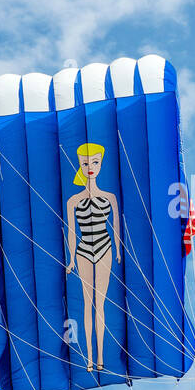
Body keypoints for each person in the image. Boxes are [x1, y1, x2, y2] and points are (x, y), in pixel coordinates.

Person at [65, 143, 121, 372]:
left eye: (95, 162)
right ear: (80, 165)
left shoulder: (109, 198)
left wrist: (118, 250)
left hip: (105, 247)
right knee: (88, 304)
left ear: (101, 164)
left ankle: (100, 358)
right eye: (85, 163)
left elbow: (115, 227)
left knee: (101, 303)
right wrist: (70, 259)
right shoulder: (73, 201)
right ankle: (89, 357)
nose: (90, 167)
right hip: (84, 249)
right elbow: (71, 231)